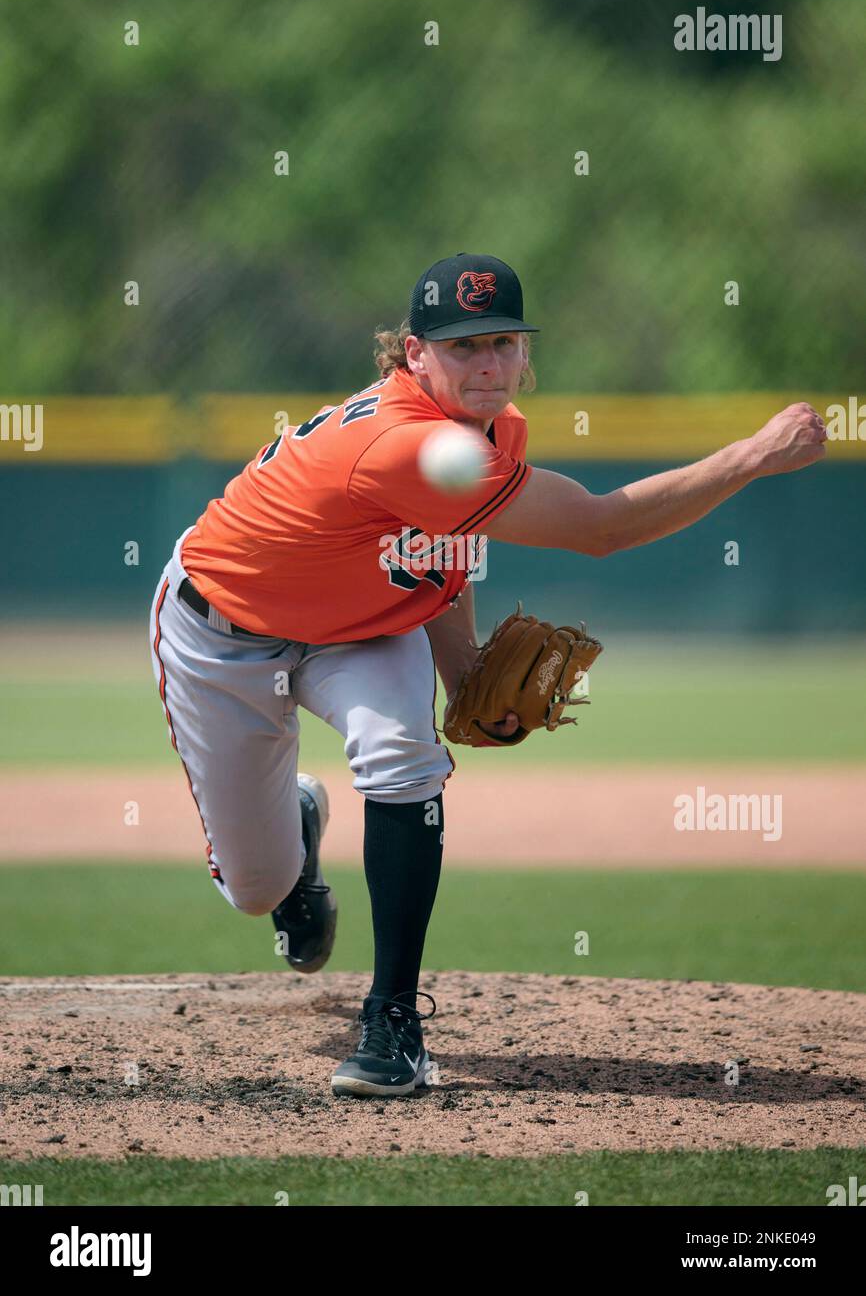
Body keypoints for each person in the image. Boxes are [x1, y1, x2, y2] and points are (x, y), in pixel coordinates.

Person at [149, 251, 827, 1098]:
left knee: (405, 760)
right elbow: (599, 529)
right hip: (224, 634)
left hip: (361, 628)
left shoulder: (491, 432)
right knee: (258, 888)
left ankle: (392, 1020)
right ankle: (294, 829)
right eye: (463, 346)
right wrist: (751, 456)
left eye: (504, 342)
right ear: (412, 353)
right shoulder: (408, 445)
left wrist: (464, 669)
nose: (488, 364)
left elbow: (438, 561)